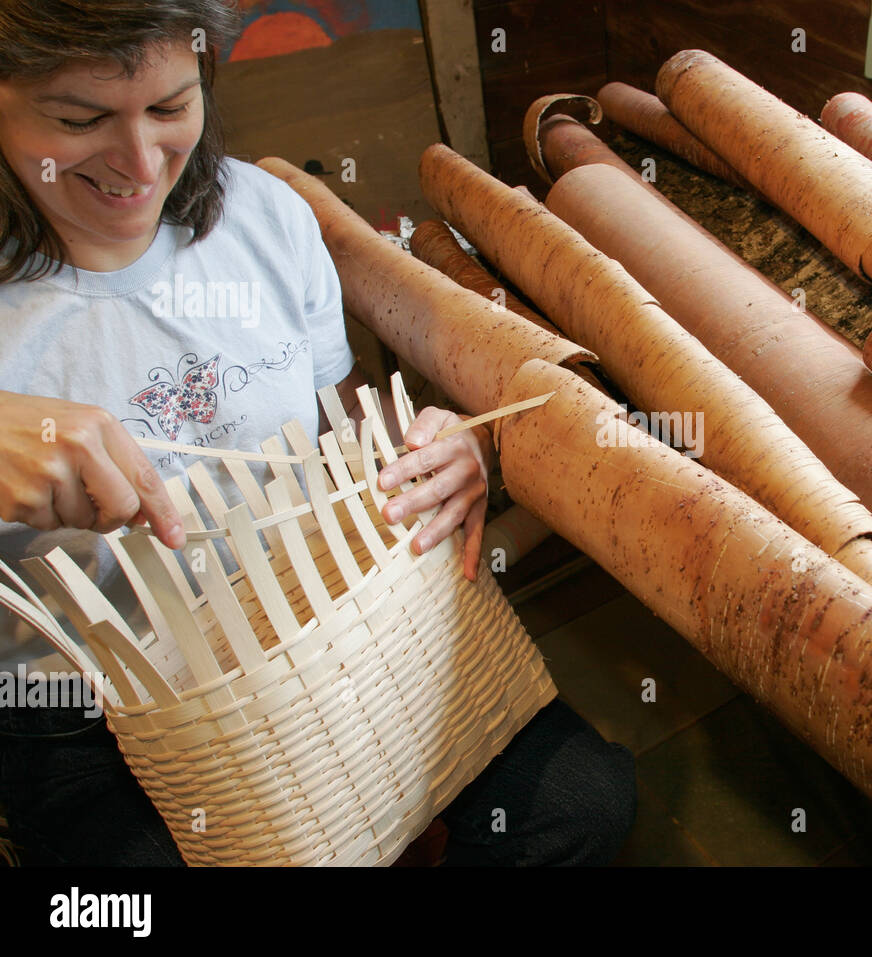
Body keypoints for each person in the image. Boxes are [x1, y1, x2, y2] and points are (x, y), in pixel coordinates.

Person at [0, 0, 635, 866]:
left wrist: (441, 458)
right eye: (81, 119)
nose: (139, 162)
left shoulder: (263, 218)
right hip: (90, 722)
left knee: (582, 805)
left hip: (322, 645)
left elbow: (350, 438)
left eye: (169, 108)